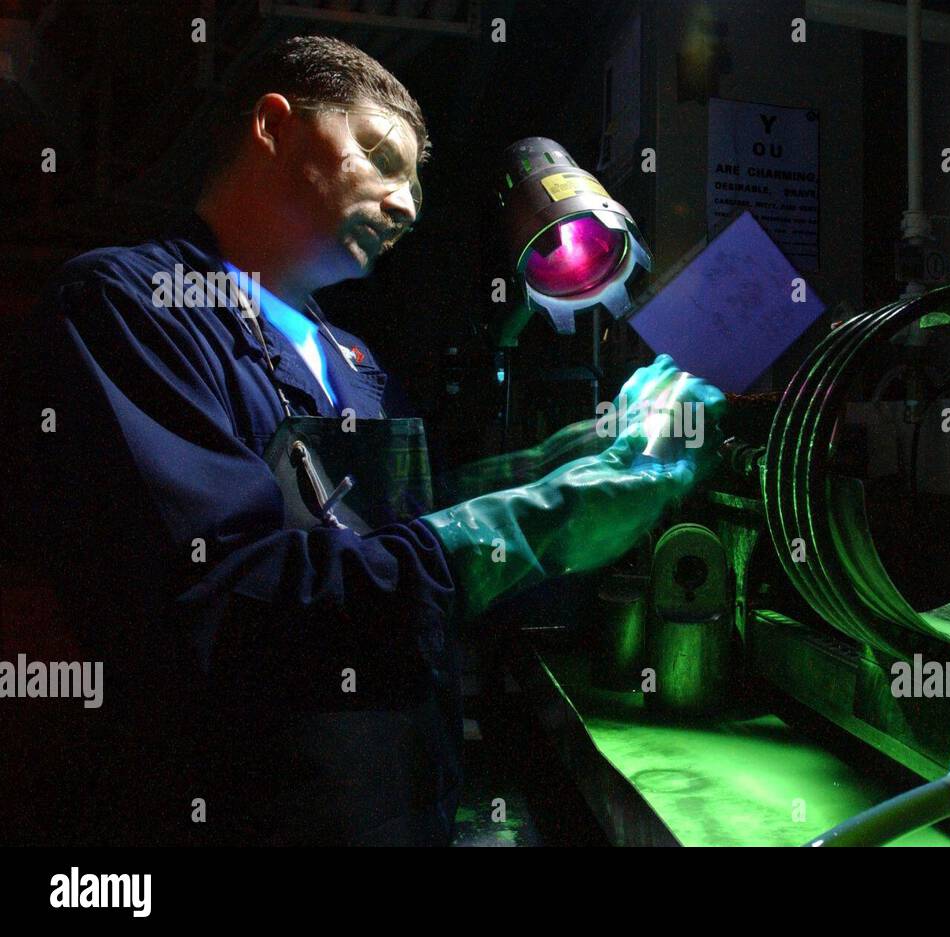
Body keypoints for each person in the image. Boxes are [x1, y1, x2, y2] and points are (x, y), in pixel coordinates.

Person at [1, 35, 723, 846]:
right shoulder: (130, 309)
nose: (408, 204)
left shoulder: (352, 359)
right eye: (381, 157)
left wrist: (563, 457)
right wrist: (543, 518)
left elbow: (383, 533)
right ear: (274, 126)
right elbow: (234, 596)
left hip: (397, 811)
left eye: (416, 183)